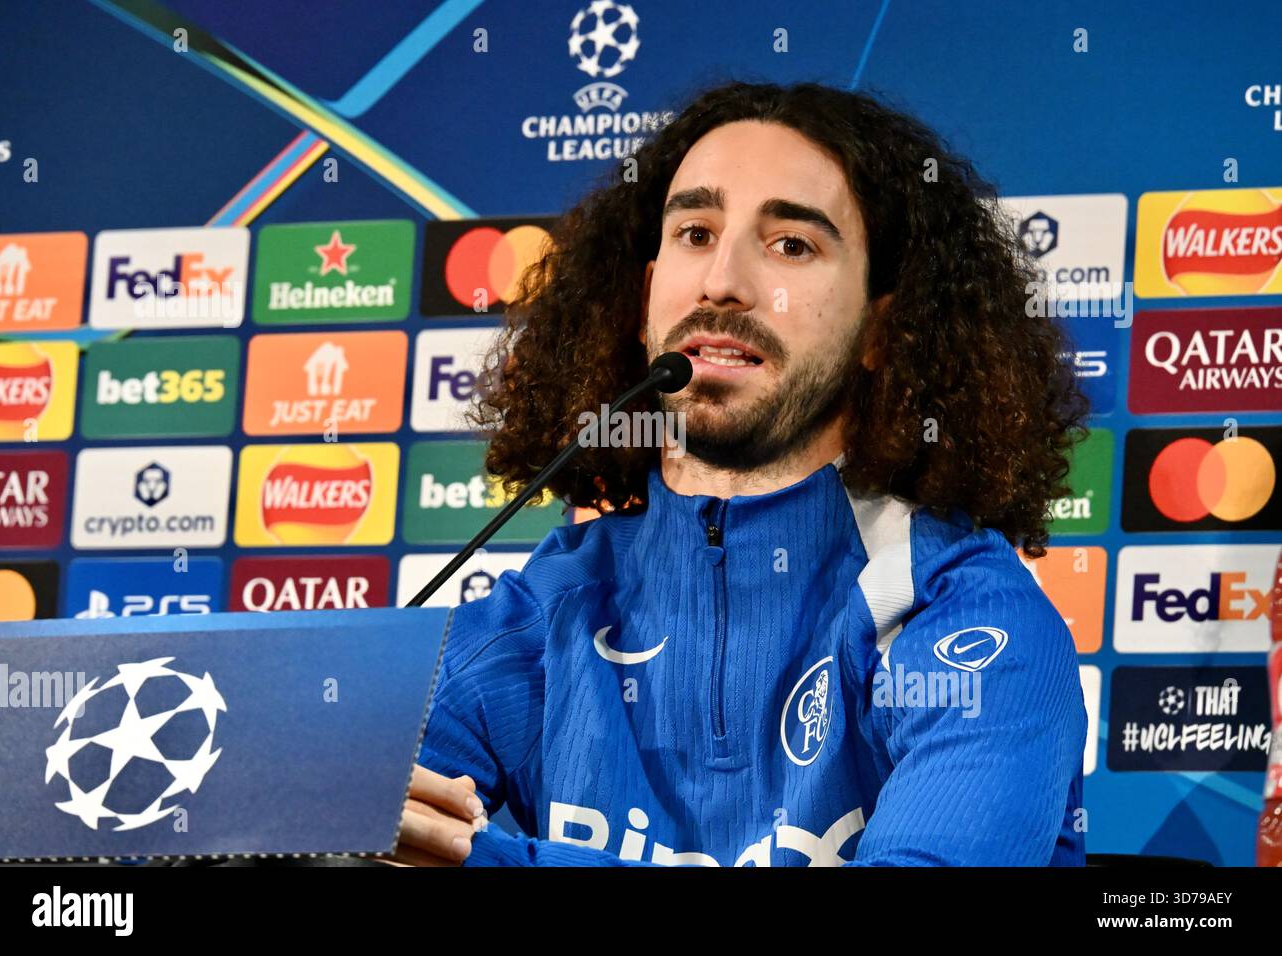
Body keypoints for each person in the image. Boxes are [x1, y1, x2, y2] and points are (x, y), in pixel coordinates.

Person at [390, 81, 1090, 867]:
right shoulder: (544, 616)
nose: (721, 282)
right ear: (644, 291)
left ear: (883, 330)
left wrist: (489, 864)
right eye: (694, 232)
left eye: (792, 244)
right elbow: (336, 822)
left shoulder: (960, 619)